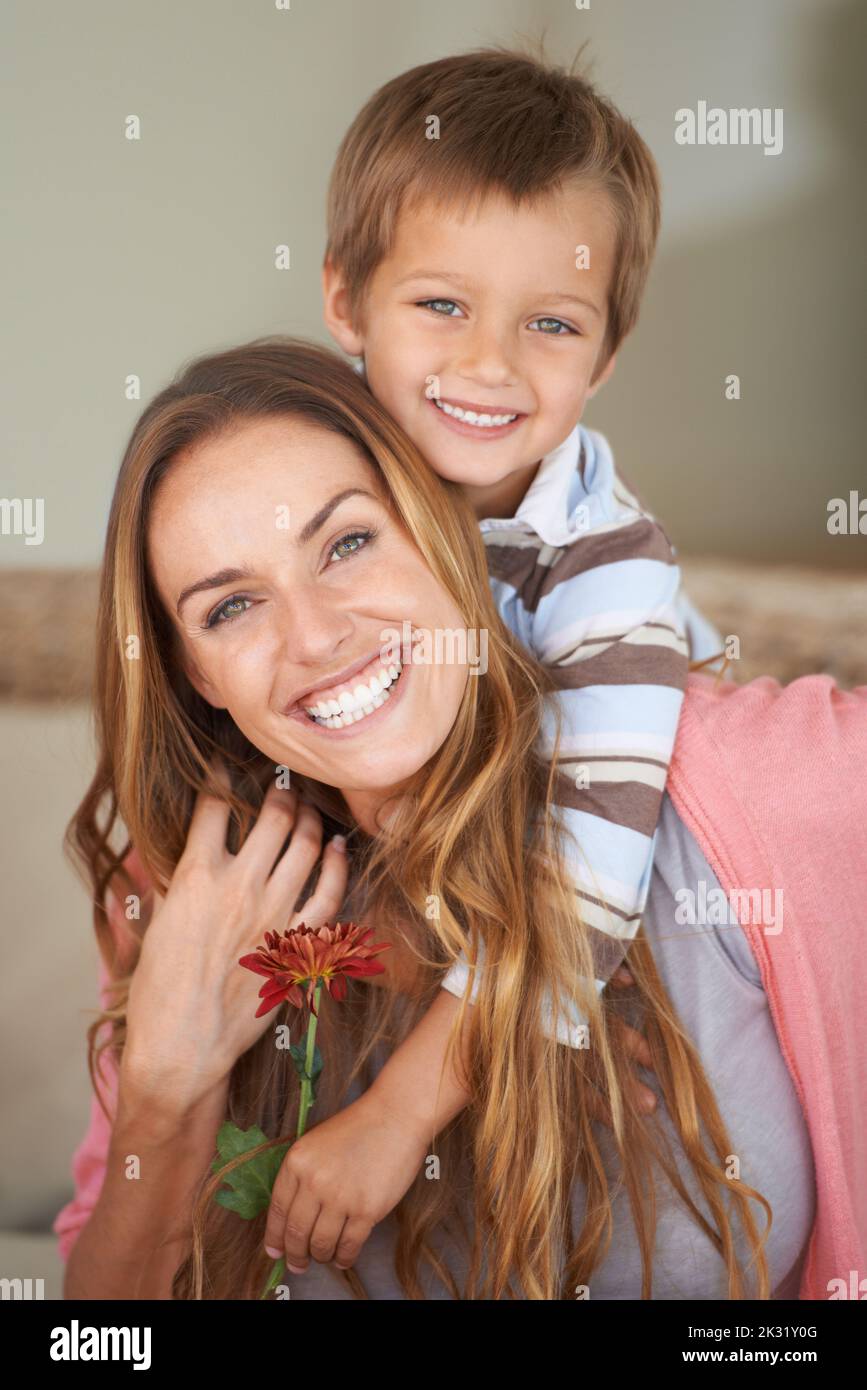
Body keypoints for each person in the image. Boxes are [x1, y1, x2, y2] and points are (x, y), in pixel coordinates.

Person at [54, 340, 866, 1300]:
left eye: (347, 543)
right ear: (196, 673)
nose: (314, 636)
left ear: (448, 533)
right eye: (232, 606)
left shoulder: (742, 783)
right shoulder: (194, 898)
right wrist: (163, 1088)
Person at [322, 47, 728, 1041]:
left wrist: (408, 1109)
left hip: (625, 918)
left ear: (603, 357)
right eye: (442, 304)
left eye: (549, 322)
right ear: (345, 304)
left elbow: (589, 884)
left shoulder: (607, 563)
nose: (488, 362)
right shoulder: (318, 493)